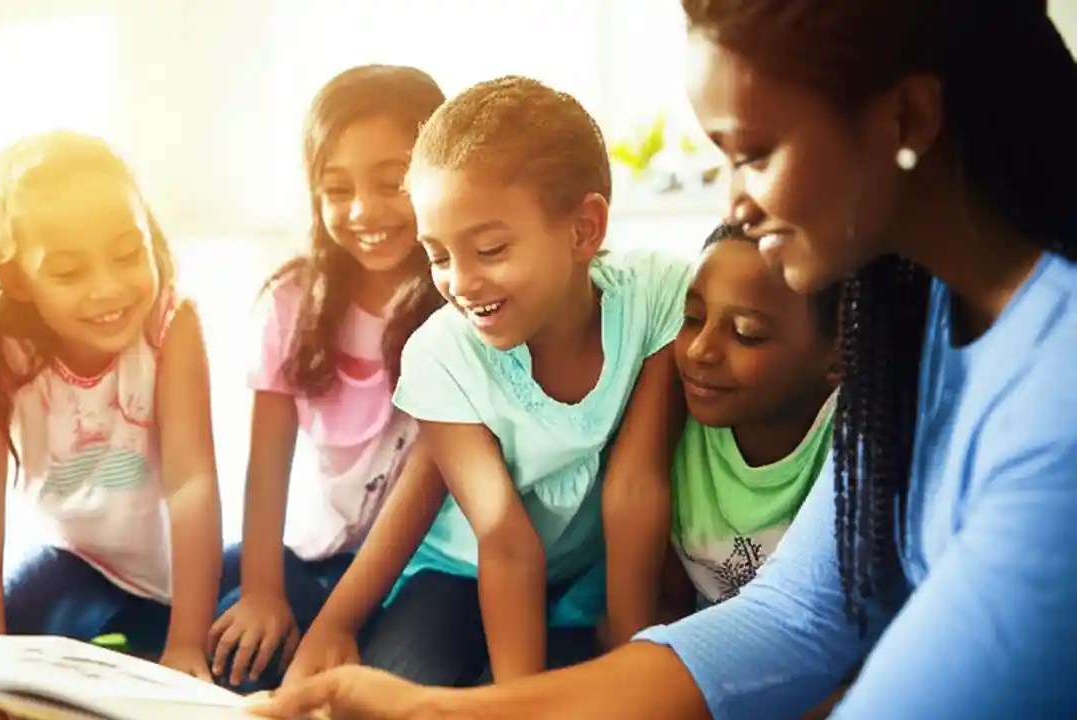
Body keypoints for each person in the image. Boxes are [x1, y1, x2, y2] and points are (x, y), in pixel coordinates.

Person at [256, 1, 1077, 717]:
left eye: (753, 154)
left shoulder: (1059, 405)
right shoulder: (914, 319)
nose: (735, 205)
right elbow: (795, 617)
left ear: (907, 120)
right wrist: (435, 712)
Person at [289, 75, 691, 689]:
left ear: (585, 229)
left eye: (491, 248)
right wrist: (513, 701)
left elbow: (636, 487)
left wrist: (627, 661)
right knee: (407, 691)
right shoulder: (442, 355)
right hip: (459, 568)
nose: (462, 283)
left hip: (588, 575)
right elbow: (504, 537)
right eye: (440, 255)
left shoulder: (658, 298)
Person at [204, 65, 447, 691]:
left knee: (389, 691)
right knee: (227, 656)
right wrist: (261, 591)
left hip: (431, 569)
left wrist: (333, 625)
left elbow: (434, 479)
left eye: (392, 181)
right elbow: (266, 468)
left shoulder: (461, 302)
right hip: (313, 556)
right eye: (336, 188)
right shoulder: (293, 298)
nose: (364, 210)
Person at [0, 131, 222, 680]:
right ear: (17, 279)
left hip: (169, 576)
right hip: (71, 561)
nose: (109, 289)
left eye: (127, 255)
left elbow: (192, 481)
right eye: (70, 272)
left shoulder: (171, 325)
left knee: (233, 655)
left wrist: (187, 643)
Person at [667, 222, 839, 612]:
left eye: (746, 333)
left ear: (838, 352)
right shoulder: (671, 409)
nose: (699, 350)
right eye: (692, 317)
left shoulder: (850, 444)